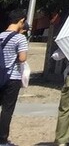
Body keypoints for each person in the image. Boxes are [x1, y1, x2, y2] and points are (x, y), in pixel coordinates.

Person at [0, 8, 28, 146]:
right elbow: (22, 58)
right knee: (7, 109)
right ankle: (2, 140)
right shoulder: (20, 38)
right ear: (21, 20)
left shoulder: (0, 35)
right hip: (12, 77)